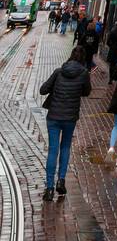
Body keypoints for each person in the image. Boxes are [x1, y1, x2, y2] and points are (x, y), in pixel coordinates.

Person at [39, 43, 92, 201]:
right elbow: (87, 92)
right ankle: (61, 181)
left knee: (53, 150)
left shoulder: (59, 72)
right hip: (70, 118)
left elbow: (43, 89)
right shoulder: (84, 74)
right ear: (83, 59)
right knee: (66, 146)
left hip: (54, 116)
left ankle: (49, 188)